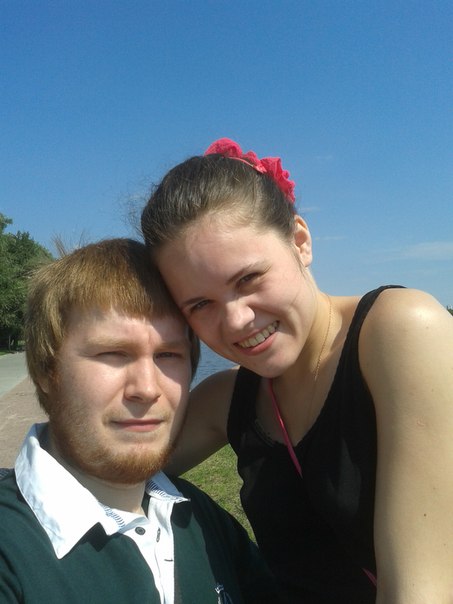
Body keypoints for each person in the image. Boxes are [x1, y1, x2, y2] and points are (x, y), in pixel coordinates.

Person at [140, 138, 453, 603]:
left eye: (248, 278)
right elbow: (109, 464)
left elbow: (419, 591)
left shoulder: (400, 330)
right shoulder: (230, 399)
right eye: (200, 304)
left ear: (300, 241)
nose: (236, 321)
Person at [0, 238, 277, 604]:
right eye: (113, 353)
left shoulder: (199, 518)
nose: (147, 389)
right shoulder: (11, 548)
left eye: (168, 355)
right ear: (45, 371)